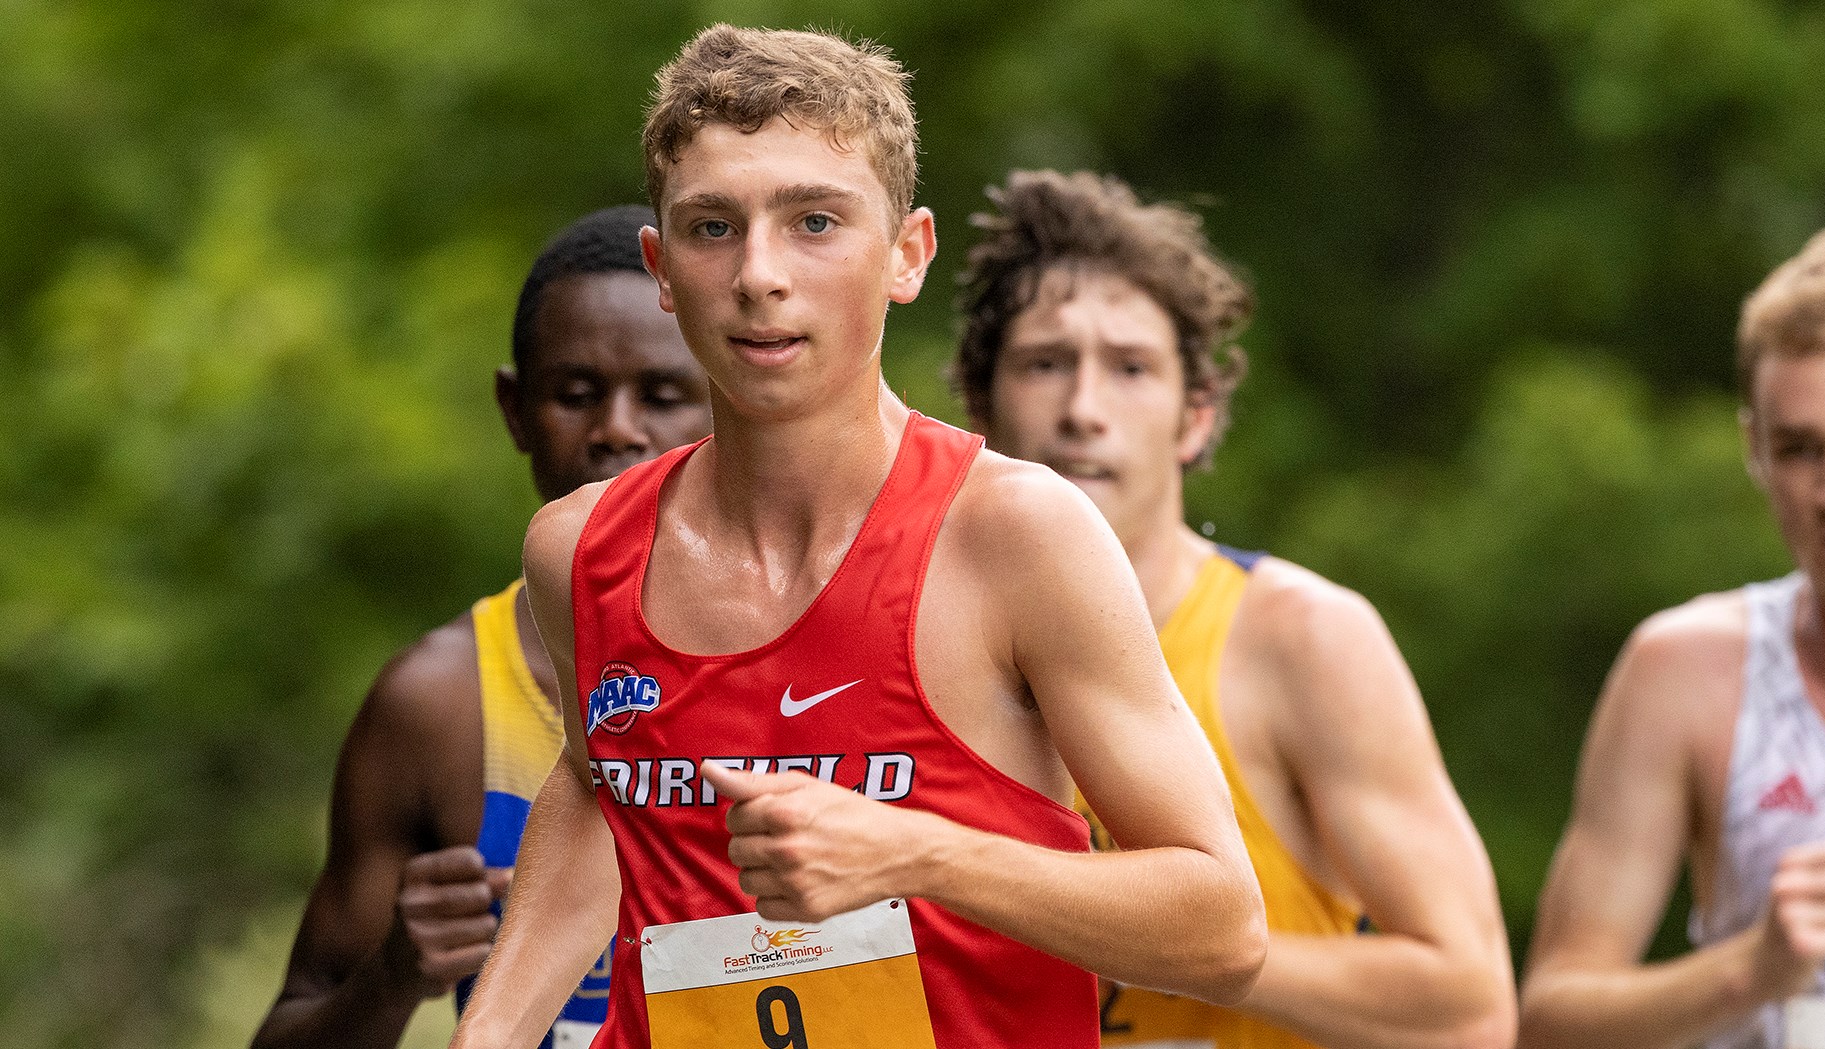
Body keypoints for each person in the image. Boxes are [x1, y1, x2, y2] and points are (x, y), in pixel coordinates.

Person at [450, 25, 1266, 1049]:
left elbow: (1224, 926)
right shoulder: (577, 547)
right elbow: (597, 782)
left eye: (815, 221)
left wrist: (919, 852)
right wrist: (486, 1033)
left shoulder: (1015, 531)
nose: (759, 274)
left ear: (907, 254)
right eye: (712, 228)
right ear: (661, 265)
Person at [954, 168, 1516, 1049]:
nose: (1084, 409)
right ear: (981, 405)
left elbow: (1470, 1006)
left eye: (1132, 367)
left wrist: (1168, 935)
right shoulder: (920, 635)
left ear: (1196, 415)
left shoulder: (1301, 636)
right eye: (1045, 363)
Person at [253, 206, 713, 1049]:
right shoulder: (439, 704)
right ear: (515, 409)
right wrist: (395, 974)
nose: (616, 427)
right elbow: (288, 1027)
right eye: (575, 394)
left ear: (732, 401)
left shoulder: (836, 661)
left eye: (661, 393)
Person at [1518, 217, 1825, 1049]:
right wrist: (1753, 968)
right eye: (1801, 448)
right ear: (1755, 451)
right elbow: (1551, 1018)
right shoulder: (1688, 669)